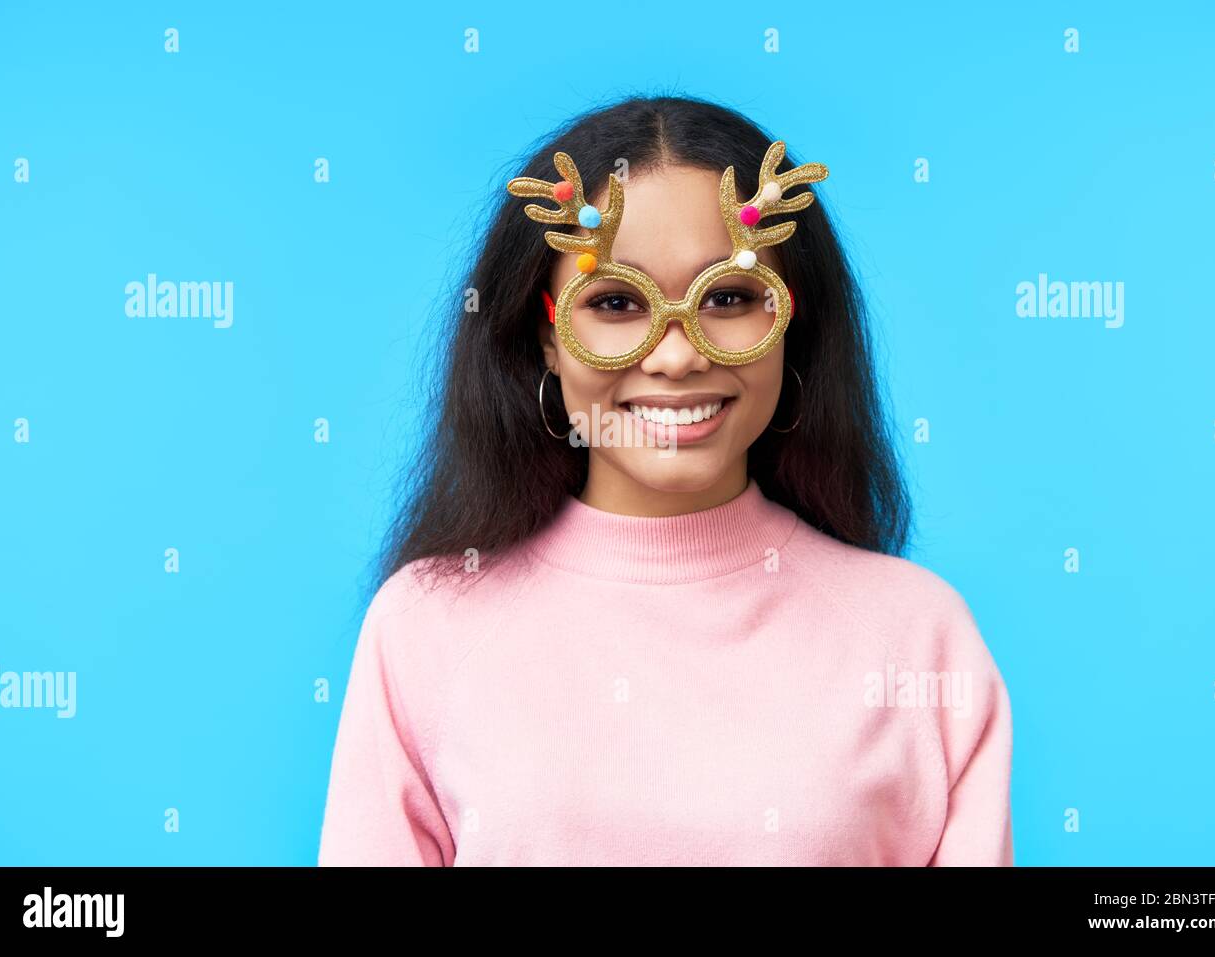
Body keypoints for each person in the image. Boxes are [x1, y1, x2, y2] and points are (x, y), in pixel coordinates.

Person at [317, 95, 1013, 866]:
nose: (678, 356)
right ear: (546, 336)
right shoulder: (425, 627)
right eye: (615, 302)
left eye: (729, 297)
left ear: (792, 324)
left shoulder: (918, 638)